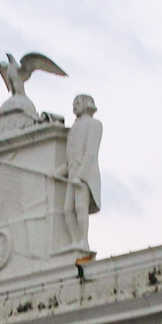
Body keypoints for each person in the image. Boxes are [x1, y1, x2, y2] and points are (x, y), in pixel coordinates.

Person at [65, 95, 102, 247]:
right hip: (72, 172)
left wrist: (80, 176)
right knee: (67, 210)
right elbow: (70, 158)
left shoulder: (94, 124)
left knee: (81, 207)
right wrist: (59, 171)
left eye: (78, 103)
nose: (74, 106)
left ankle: (83, 241)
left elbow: (91, 153)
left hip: (84, 174)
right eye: (73, 103)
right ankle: (75, 241)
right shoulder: (74, 128)